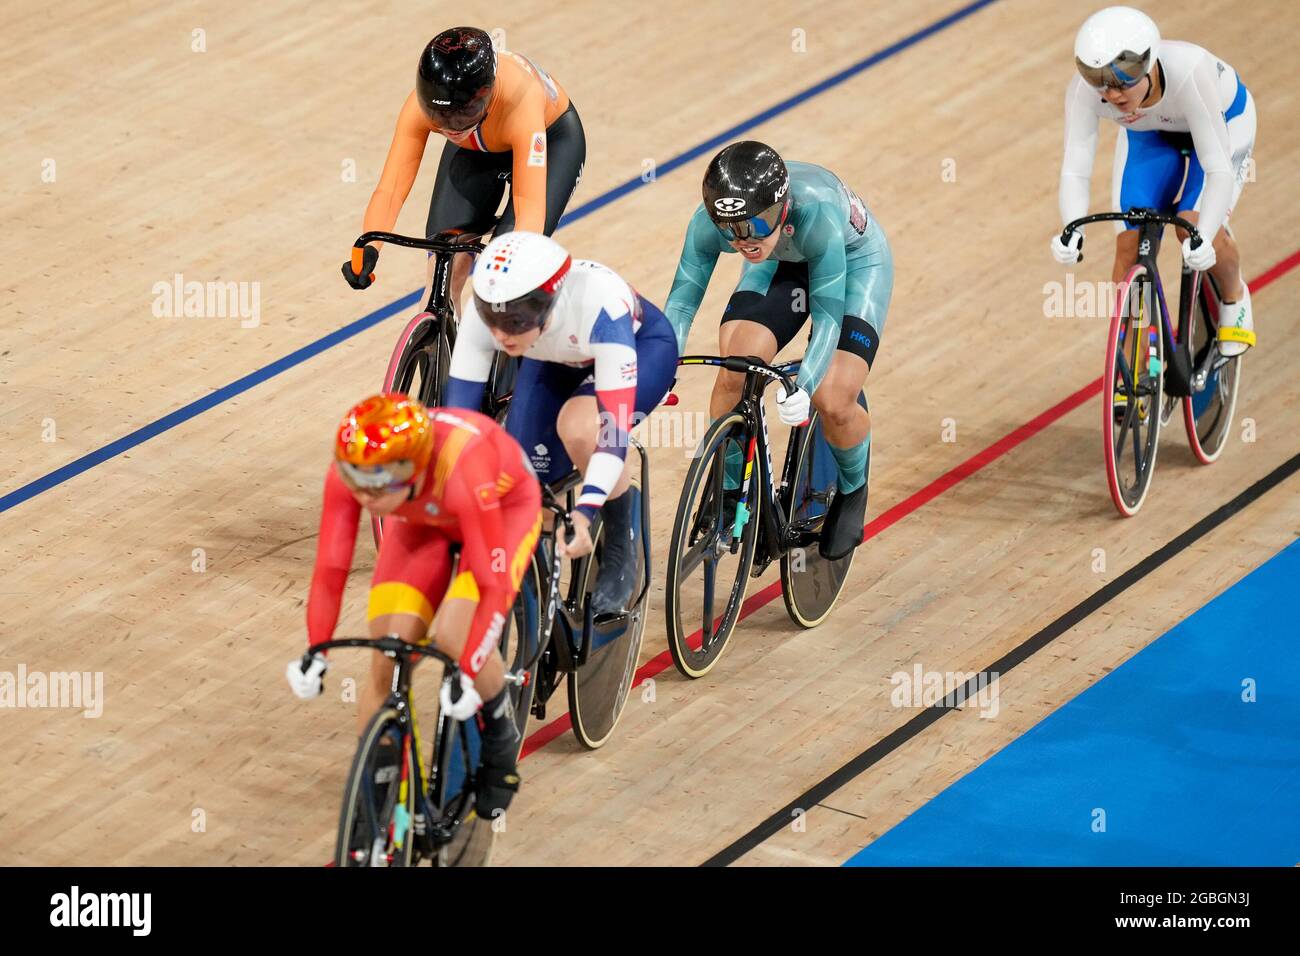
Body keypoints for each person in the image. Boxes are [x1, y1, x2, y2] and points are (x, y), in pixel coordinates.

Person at [286, 394, 542, 818]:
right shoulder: (355, 475)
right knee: (388, 652)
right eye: (356, 478)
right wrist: (318, 651)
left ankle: (500, 732)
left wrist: (470, 668)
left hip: (500, 511)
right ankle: (386, 782)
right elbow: (331, 568)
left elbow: (493, 587)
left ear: (415, 466)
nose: (365, 493)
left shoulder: (464, 466)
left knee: (453, 637)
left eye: (378, 481)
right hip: (423, 520)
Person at [663, 141, 893, 560]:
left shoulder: (816, 212)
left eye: (756, 223)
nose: (743, 240)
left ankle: (853, 489)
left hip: (854, 263)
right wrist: (664, 363)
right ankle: (731, 490)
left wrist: (804, 386)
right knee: (735, 368)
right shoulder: (725, 226)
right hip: (781, 259)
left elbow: (826, 316)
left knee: (832, 397)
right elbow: (681, 303)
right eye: (731, 229)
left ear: (781, 206)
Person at [444, 231, 679, 614]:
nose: (502, 334)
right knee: (526, 478)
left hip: (642, 347)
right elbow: (461, 421)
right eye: (493, 320)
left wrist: (585, 512)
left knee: (580, 429)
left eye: (516, 320)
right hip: (555, 357)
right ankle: (535, 604)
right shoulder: (487, 311)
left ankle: (621, 537)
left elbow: (612, 435)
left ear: (547, 303)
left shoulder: (600, 308)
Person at [1053, 6, 1257, 355]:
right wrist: (1072, 229)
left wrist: (1204, 234)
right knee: (1128, 247)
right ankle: (1133, 367)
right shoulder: (1086, 92)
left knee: (1189, 226)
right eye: (1099, 80)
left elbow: (1218, 169)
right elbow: (1075, 168)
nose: (1113, 94)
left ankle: (1234, 294)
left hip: (1220, 130)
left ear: (1148, 63)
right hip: (1150, 136)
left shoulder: (1190, 72)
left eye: (1123, 80)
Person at [341, 26, 586, 316]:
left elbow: (529, 207)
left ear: (488, 93)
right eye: (439, 116)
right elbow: (391, 188)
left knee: (505, 272)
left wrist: (511, 268)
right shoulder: (425, 108)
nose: (451, 125)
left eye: (463, 113)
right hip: (478, 146)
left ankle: (513, 353)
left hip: (551, 141)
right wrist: (371, 245)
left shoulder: (522, 102)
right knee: (440, 275)